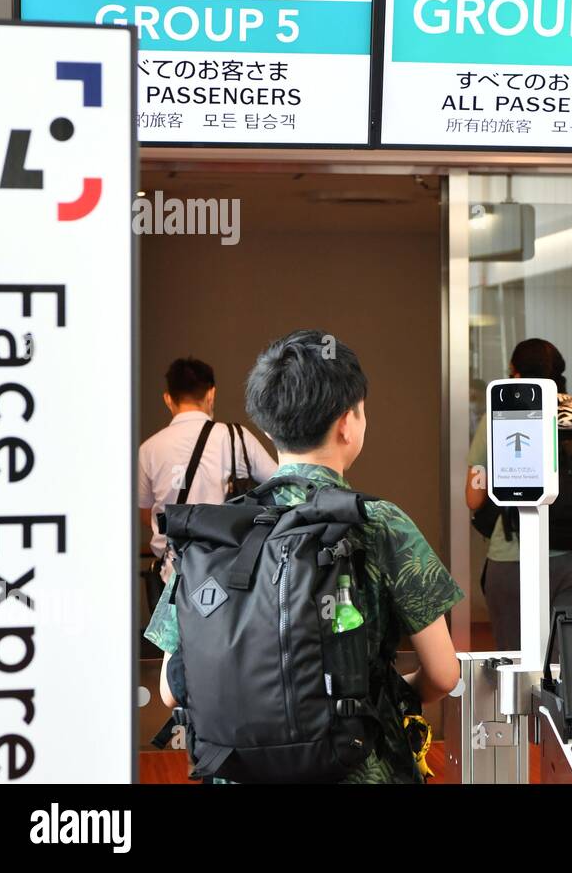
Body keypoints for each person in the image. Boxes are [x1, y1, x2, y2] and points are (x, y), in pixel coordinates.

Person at [145, 330, 463, 783]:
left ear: (268, 428)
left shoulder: (214, 531)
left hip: (237, 771)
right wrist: (383, 696)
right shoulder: (378, 521)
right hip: (359, 767)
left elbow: (170, 692)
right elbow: (444, 673)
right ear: (348, 424)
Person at [464, 338, 572, 651]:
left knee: (518, 667)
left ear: (515, 375)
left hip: (515, 557)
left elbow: (474, 498)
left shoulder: (500, 418)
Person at [138, 357, 277, 579]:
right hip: (229, 570)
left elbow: (147, 513)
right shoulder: (235, 438)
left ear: (168, 399)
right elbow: (280, 482)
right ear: (211, 394)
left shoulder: (148, 449)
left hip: (174, 576)